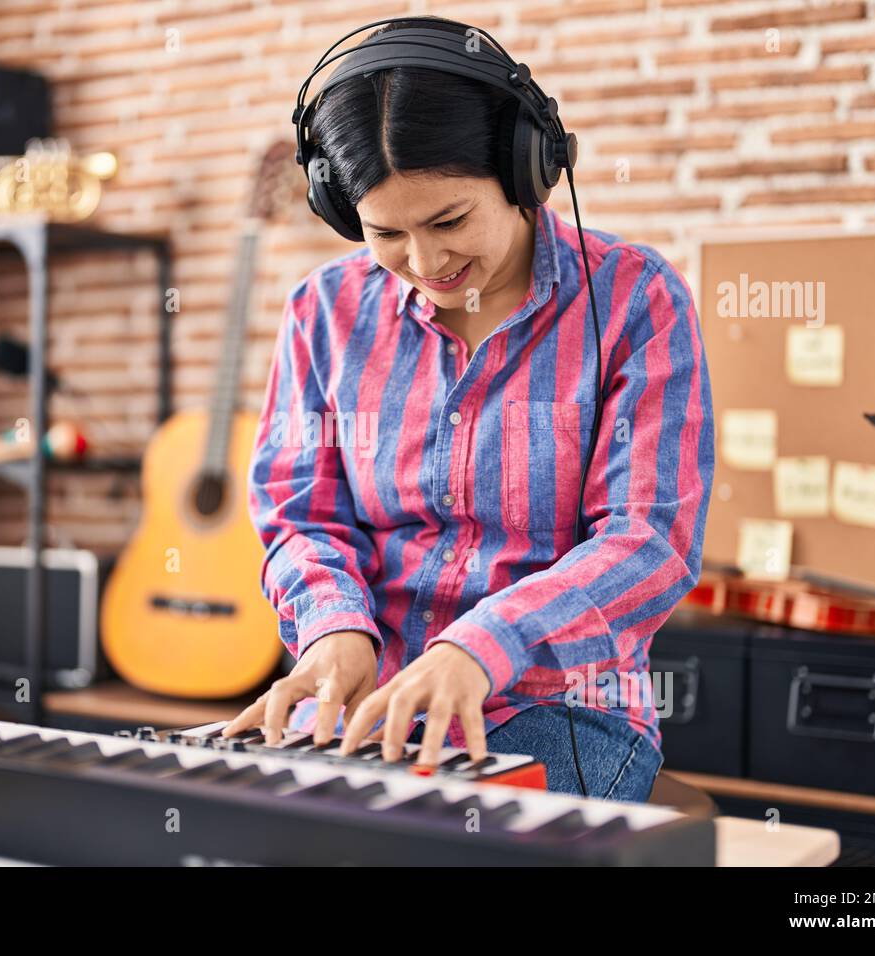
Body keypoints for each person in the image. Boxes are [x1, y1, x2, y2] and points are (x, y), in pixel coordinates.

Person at [223, 17, 714, 803]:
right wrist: (335, 628)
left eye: (449, 221)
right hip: (363, 702)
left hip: (555, 707)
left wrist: (484, 646)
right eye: (387, 234)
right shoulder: (323, 312)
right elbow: (298, 517)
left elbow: (647, 539)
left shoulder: (635, 299)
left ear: (527, 170)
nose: (425, 263)